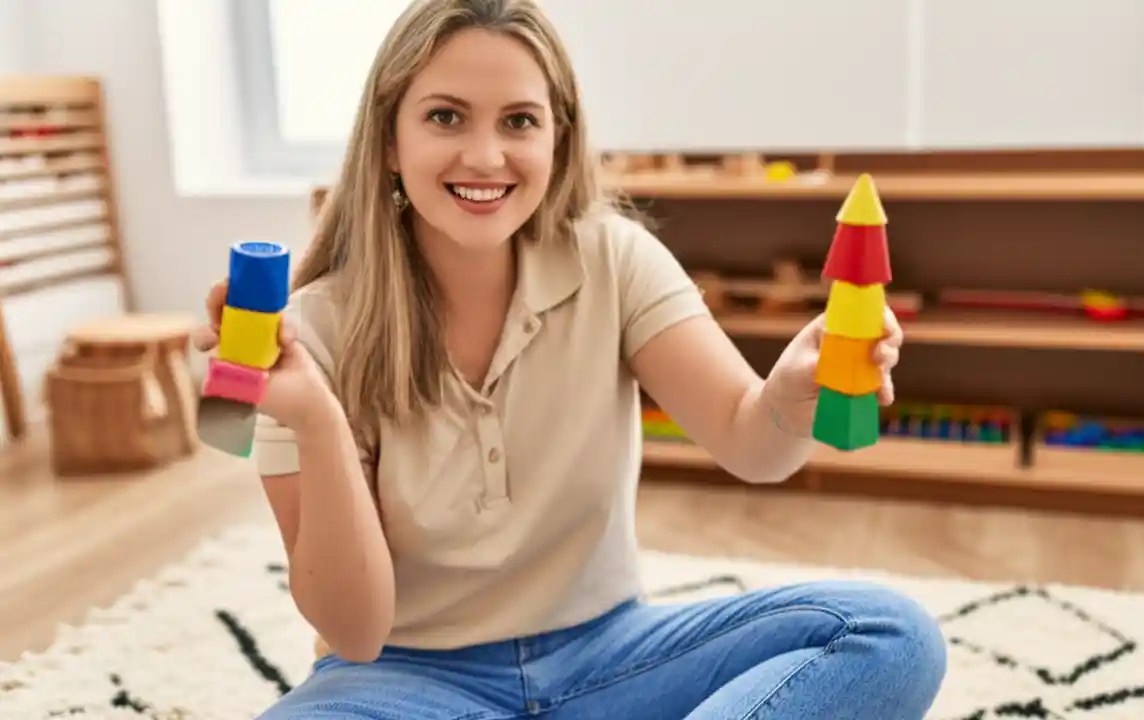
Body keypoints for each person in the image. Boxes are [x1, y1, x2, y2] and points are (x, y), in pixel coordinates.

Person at [194, 0, 946, 717]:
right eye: (445, 116)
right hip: (406, 677)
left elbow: (755, 447)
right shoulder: (313, 330)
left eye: (519, 120)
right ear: (390, 139)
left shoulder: (614, 260)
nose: (485, 156)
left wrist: (789, 393)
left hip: (611, 659)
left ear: (559, 135)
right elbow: (355, 633)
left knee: (889, 635)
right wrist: (317, 420)